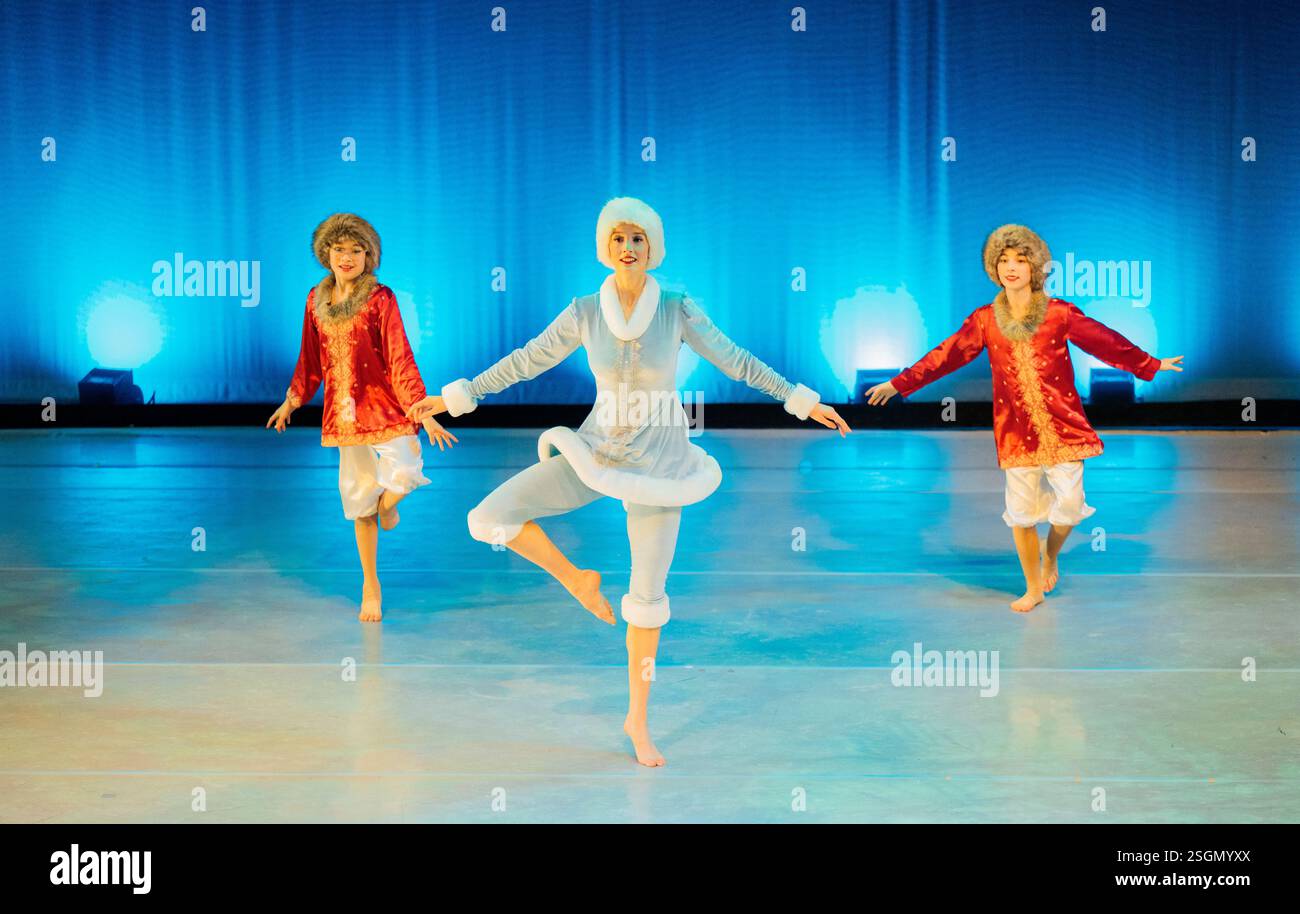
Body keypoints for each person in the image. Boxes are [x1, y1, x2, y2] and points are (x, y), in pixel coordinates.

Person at [409, 197, 850, 765]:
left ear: (651, 247)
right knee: (488, 518)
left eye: (637, 239)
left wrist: (799, 400)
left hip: (661, 464)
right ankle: (577, 579)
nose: (628, 248)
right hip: (596, 448)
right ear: (606, 248)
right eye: (618, 239)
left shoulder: (676, 307)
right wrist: (456, 396)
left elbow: (736, 359)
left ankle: (637, 720)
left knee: (646, 601)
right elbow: (526, 360)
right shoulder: (584, 310)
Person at [866, 224, 1183, 612]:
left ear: (1035, 267)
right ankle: (1033, 587)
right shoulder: (984, 320)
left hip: (1064, 426)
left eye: (1020, 260)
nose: (1011, 268)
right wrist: (899, 384)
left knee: (1069, 505)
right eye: (1003, 260)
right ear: (993, 268)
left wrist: (1149, 364)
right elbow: (945, 355)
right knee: (1022, 512)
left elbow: (1105, 340)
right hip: (1016, 431)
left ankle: (1051, 556)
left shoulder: (1059, 314)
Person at [267, 213, 457, 622]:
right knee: (359, 504)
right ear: (326, 254)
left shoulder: (380, 299)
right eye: (339, 249)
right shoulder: (315, 302)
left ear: (368, 255)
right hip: (344, 417)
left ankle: (389, 506)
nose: (347, 257)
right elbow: (310, 359)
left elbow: (399, 358)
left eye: (356, 250)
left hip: (386, 408)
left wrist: (424, 413)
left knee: (406, 473)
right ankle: (371, 584)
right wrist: (293, 399)